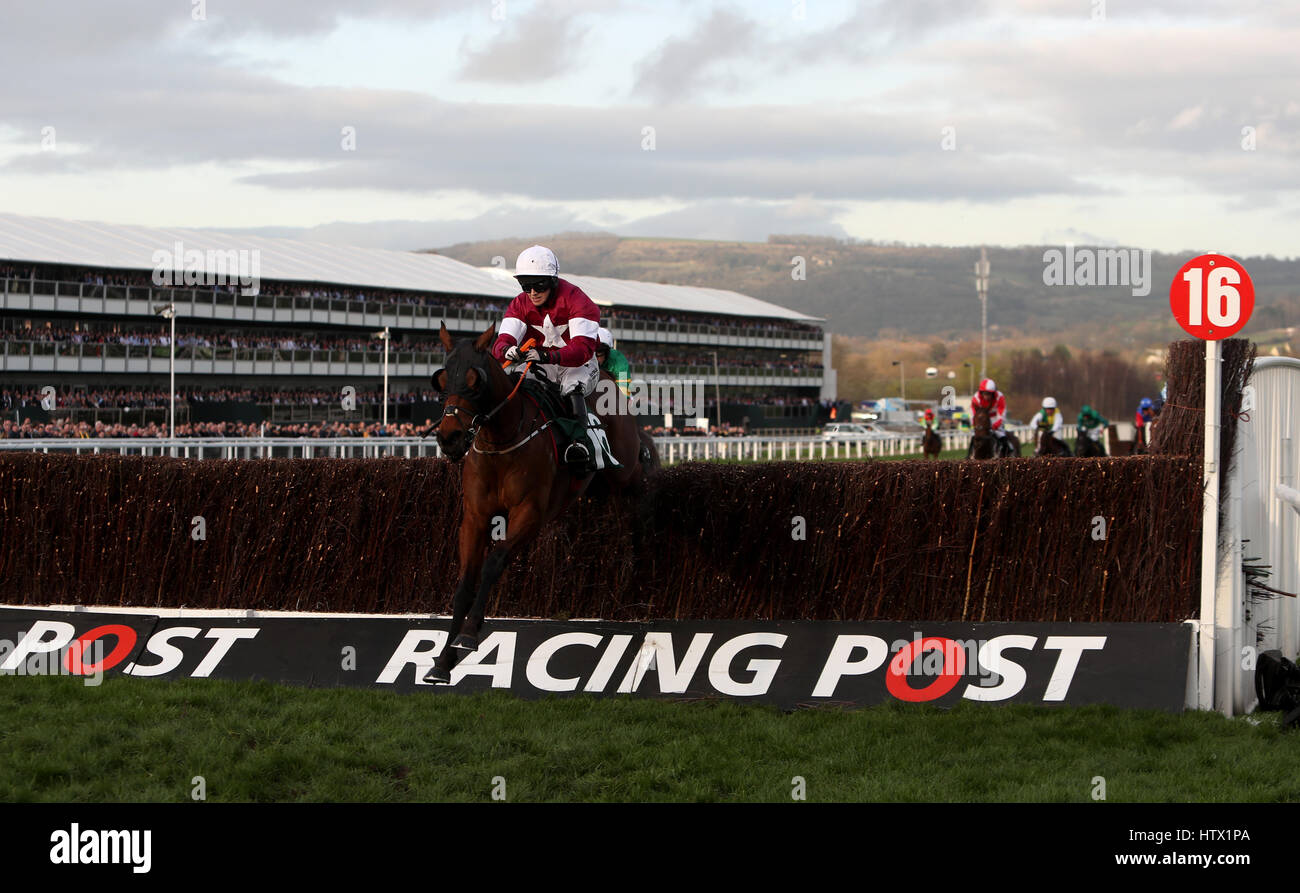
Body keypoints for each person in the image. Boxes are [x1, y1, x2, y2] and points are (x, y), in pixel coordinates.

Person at [491, 245, 601, 472]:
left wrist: (547, 355)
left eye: (538, 284)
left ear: (552, 280)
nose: (532, 292)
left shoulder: (579, 300)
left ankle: (579, 444)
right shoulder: (519, 304)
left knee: (572, 386)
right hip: (542, 362)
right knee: (515, 384)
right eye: (526, 285)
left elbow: (582, 350)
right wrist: (508, 350)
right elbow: (500, 342)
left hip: (579, 363)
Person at [970, 378, 1011, 453]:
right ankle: (970, 455)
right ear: (981, 393)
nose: (987, 396)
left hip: (995, 418)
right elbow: (973, 414)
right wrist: (975, 424)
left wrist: (995, 426)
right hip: (981, 420)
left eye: (989, 394)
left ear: (993, 393)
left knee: (1000, 434)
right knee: (974, 436)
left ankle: (1008, 450)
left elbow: (1002, 415)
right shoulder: (976, 398)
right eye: (985, 393)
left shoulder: (999, 397)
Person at [595, 327, 631, 398]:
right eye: (591, 352)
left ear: (607, 352)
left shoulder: (619, 361)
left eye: (599, 352)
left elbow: (623, 393)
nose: (594, 358)